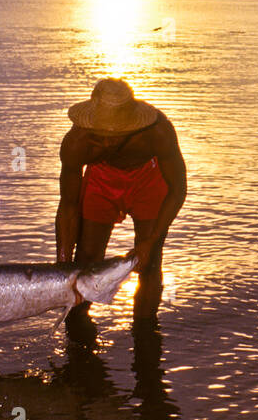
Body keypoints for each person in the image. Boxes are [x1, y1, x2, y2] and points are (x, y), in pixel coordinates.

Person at [56, 78, 186, 328]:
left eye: (114, 136)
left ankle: (145, 332)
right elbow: (68, 207)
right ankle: (77, 329)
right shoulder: (77, 143)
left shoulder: (158, 132)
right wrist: (62, 261)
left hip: (148, 177)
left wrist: (150, 241)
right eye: (100, 135)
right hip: (102, 178)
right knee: (86, 258)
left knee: (148, 262)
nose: (105, 143)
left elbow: (178, 190)